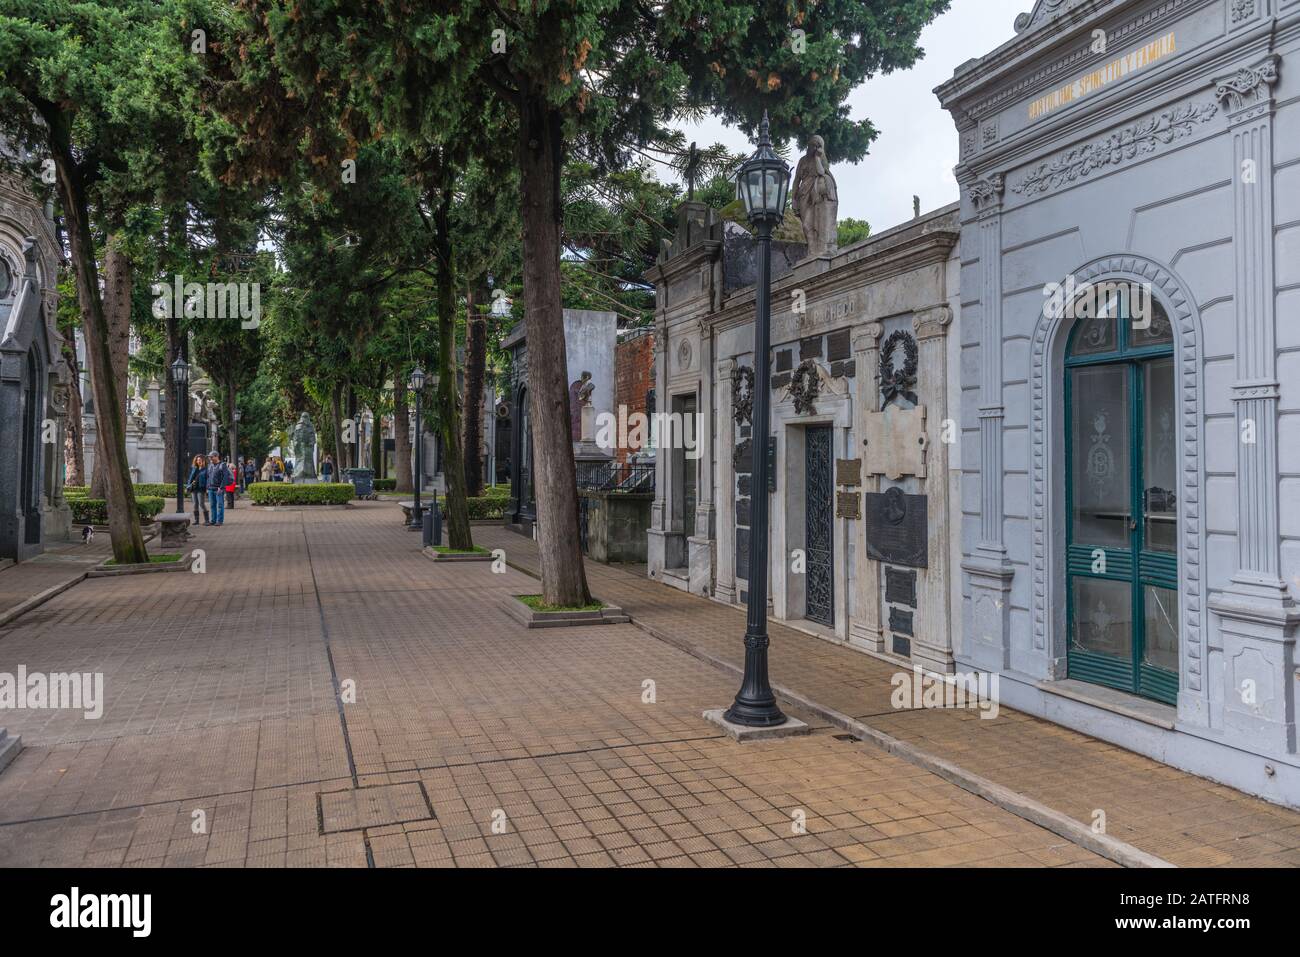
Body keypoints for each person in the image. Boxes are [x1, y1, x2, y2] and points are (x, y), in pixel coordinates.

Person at [205, 451, 233, 526]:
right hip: (211, 488)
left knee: (220, 505)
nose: (210, 458)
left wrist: (221, 487)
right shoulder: (210, 465)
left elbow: (225, 477)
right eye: (209, 457)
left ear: (216, 456)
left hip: (218, 489)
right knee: (212, 505)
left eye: (211, 457)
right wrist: (207, 487)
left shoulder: (222, 465)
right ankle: (213, 520)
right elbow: (208, 476)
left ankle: (219, 521)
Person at [186, 453, 210, 526]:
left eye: (200, 460)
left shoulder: (206, 469)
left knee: (201, 504)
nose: (198, 461)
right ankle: (196, 520)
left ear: (203, 461)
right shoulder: (194, 468)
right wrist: (188, 486)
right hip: (194, 488)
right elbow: (190, 478)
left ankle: (207, 520)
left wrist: (207, 488)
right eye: (197, 460)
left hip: (201, 488)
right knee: (195, 504)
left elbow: (208, 479)